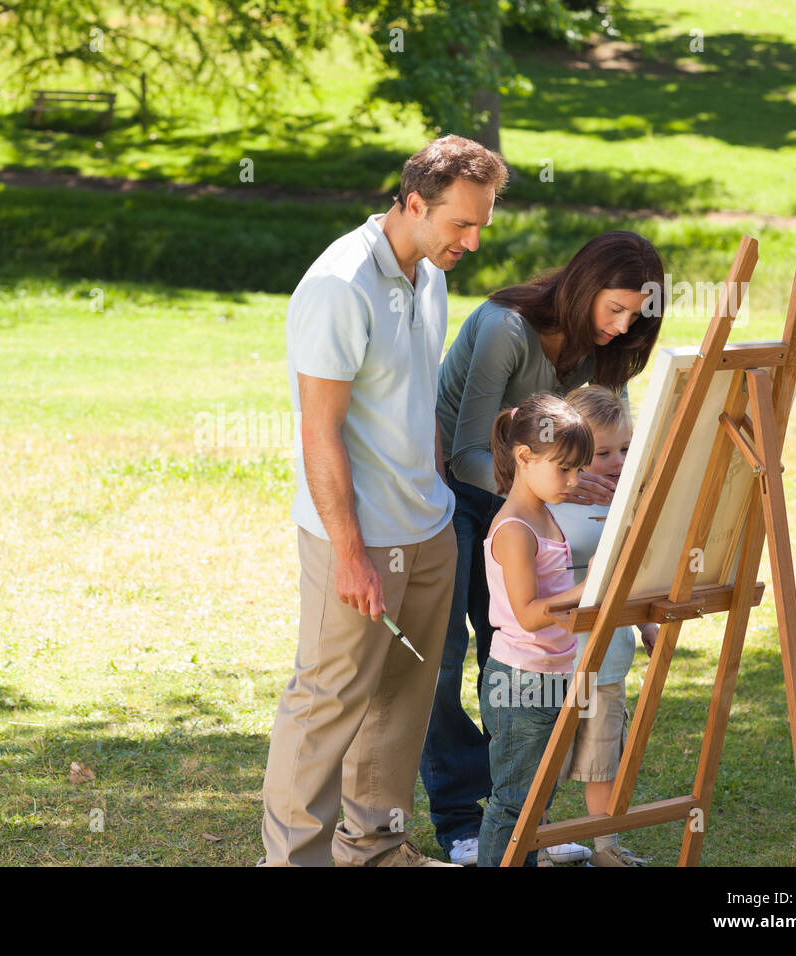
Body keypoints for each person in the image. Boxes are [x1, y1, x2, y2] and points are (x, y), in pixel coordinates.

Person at [260, 135, 508, 866]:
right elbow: (320, 432)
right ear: (411, 203)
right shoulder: (338, 286)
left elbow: (415, 391)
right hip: (360, 538)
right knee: (327, 703)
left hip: (430, 528)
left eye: (481, 226)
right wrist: (349, 554)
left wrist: (434, 471)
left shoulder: (429, 272)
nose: (470, 241)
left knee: (404, 702)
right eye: (460, 224)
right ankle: (294, 861)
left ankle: (374, 848)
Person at [420, 230, 665, 865]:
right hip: (461, 494)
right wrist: (545, 488)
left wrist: (617, 472)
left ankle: (527, 815)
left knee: (518, 658)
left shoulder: (607, 348)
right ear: (584, 286)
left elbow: (614, 428)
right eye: (613, 308)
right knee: (447, 660)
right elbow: (465, 449)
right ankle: (460, 821)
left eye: (636, 317)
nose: (620, 327)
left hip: (536, 497)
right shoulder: (507, 327)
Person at [476, 393, 593, 866]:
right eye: (564, 468)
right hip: (520, 681)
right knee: (513, 803)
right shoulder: (515, 530)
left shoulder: (545, 512)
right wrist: (589, 588)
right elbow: (527, 613)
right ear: (524, 457)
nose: (574, 480)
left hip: (551, 672)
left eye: (578, 469)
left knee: (534, 799)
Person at [550, 385, 659, 866]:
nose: (617, 461)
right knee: (541, 760)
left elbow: (635, 571)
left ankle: (606, 846)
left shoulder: (629, 500)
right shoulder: (549, 502)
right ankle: (536, 835)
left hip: (609, 659)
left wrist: (649, 625)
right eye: (603, 452)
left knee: (603, 759)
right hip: (552, 663)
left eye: (625, 449)